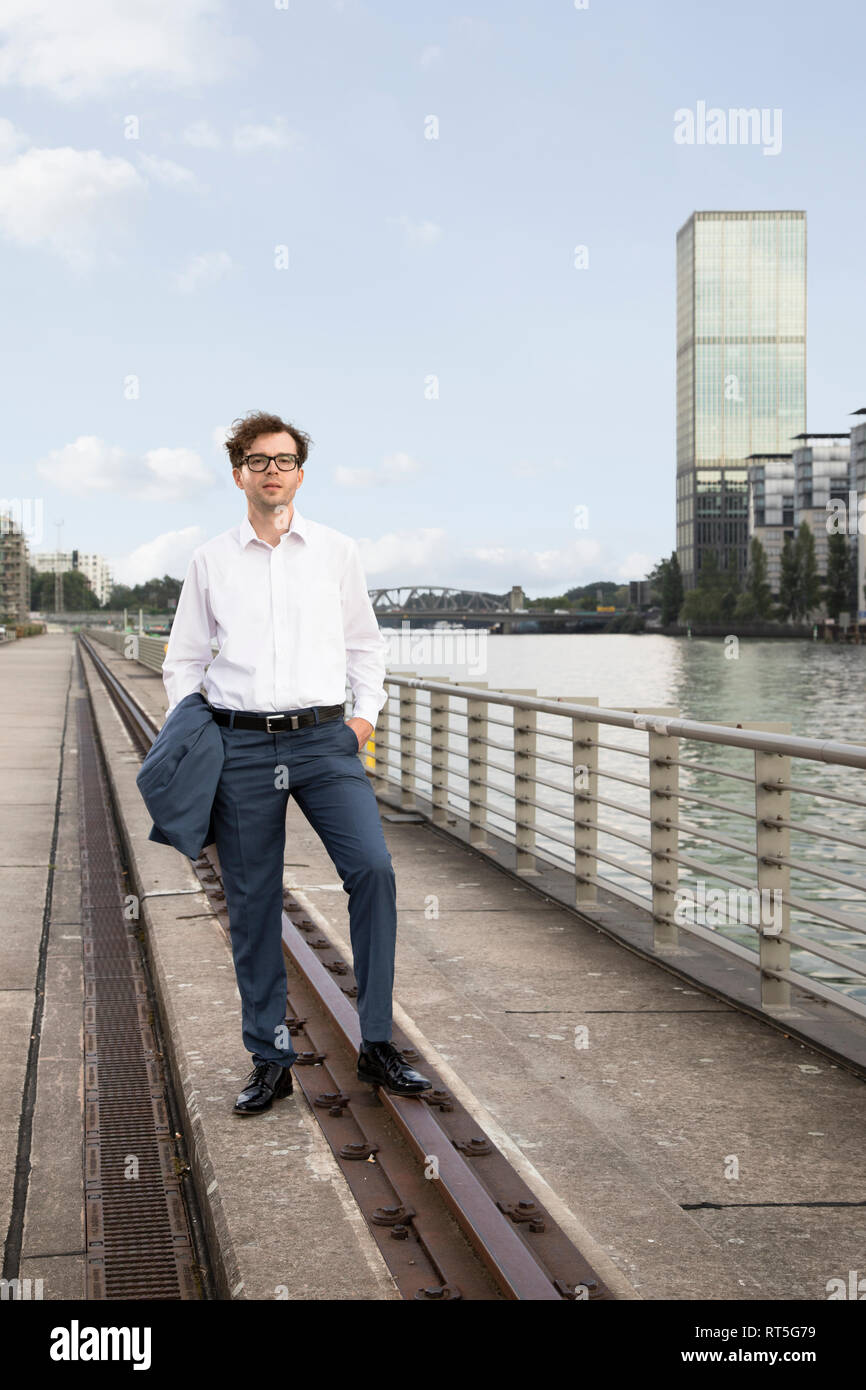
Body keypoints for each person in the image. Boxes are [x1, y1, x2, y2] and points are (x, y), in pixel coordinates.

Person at [161, 409, 431, 1113]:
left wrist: (363, 721)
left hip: (324, 741)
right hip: (241, 743)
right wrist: (196, 737)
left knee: (372, 870)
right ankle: (270, 1058)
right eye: (259, 460)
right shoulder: (210, 560)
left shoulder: (337, 551)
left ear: (300, 474)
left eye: (283, 460)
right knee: (252, 904)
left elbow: (366, 645)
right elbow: (184, 661)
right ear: (238, 474)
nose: (271, 470)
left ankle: (376, 1043)